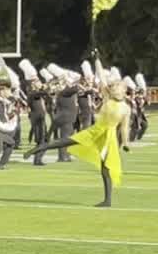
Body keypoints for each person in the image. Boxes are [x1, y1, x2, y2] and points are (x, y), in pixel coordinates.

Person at [30, 71, 131, 207]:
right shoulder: (108, 97)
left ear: (124, 90)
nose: (113, 87)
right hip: (95, 130)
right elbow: (101, 78)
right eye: (113, 86)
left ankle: (107, 200)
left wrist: (125, 143)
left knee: (106, 168)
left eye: (117, 86)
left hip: (108, 137)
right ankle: (42, 147)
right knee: (70, 140)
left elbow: (124, 128)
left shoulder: (126, 108)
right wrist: (97, 60)